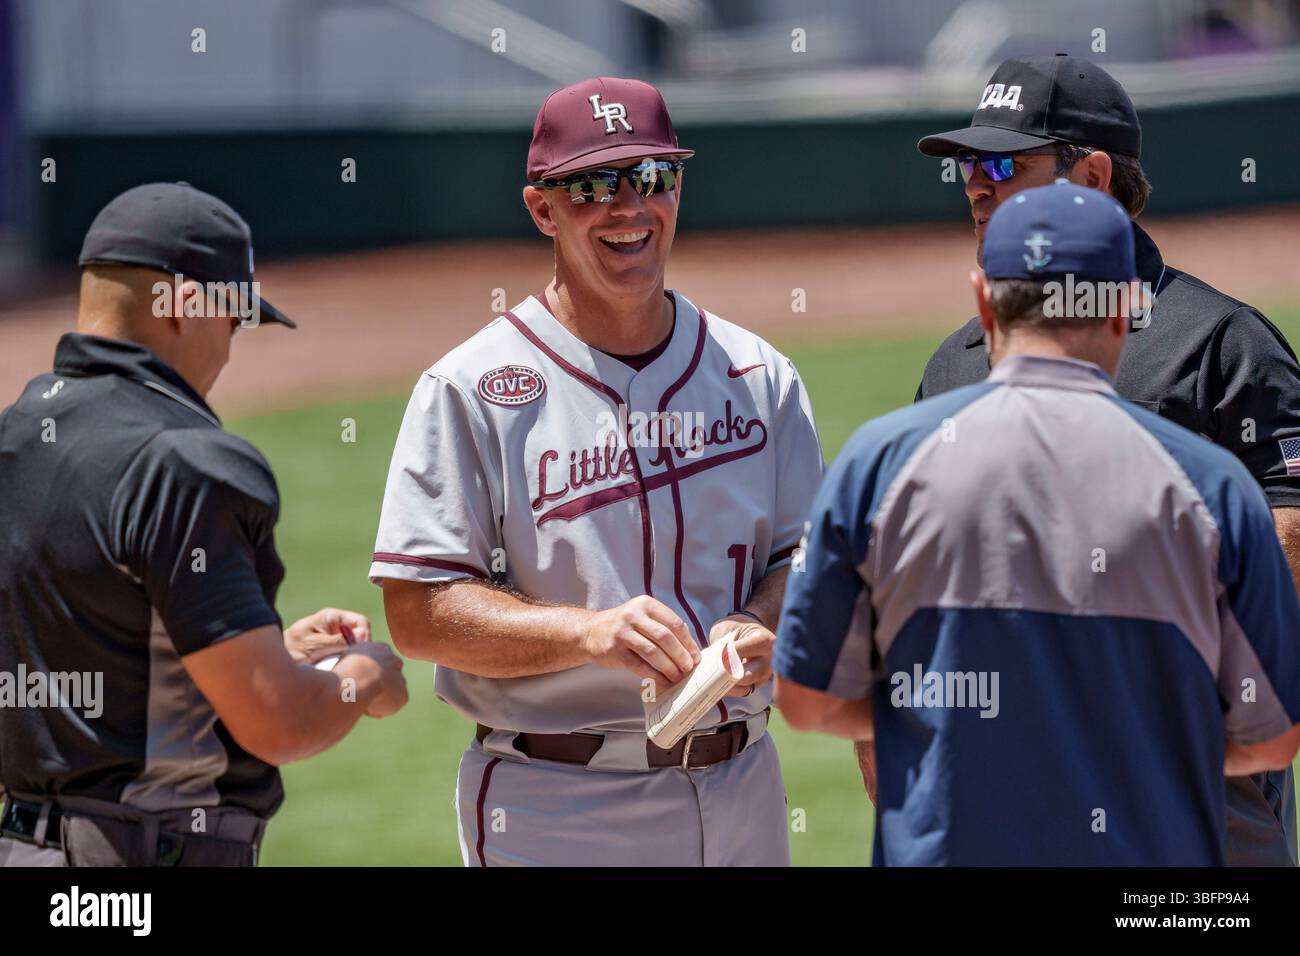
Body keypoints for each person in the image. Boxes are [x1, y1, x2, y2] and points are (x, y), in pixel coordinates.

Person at [774, 182, 1300, 865]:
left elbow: (807, 699)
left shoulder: (879, 461)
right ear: (1124, 312)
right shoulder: (1213, 483)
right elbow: (1270, 738)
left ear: (982, 302)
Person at [372, 77, 824, 866]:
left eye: (651, 177)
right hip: (557, 806)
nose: (627, 207)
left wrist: (764, 618)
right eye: (591, 186)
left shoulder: (759, 374)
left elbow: (807, 555)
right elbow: (418, 612)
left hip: (744, 787)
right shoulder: (471, 389)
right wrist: (587, 634)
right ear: (543, 208)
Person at [906, 53, 1300, 865]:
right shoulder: (956, 359)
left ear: (1090, 175)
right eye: (969, 167)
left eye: (1002, 163)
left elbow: (1288, 546)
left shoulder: (1219, 344)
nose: (976, 185)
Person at [0, 182, 408, 867]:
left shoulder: (16, 439)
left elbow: (93, 656)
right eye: (235, 317)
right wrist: (365, 675)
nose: (231, 344)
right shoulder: (186, 460)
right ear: (184, 305)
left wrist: (268, 652)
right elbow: (280, 722)